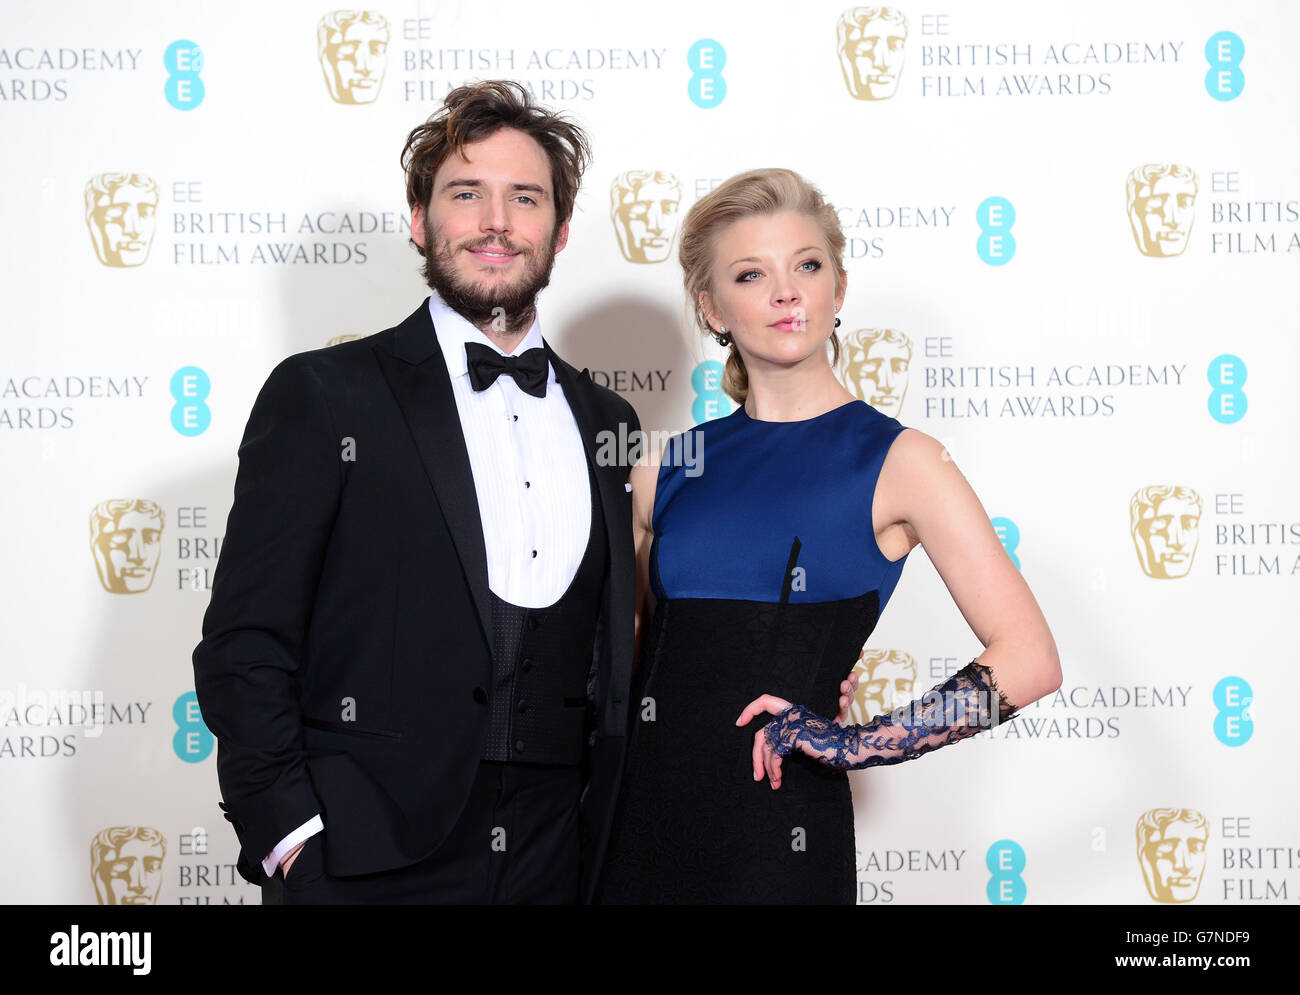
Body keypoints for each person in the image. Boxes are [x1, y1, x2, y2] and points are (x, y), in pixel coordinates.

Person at [192, 80, 640, 903]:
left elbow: (629, 636)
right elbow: (244, 643)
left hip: (558, 855)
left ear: (561, 229)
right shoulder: (325, 394)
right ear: (420, 220)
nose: (496, 222)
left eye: (525, 198)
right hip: (366, 857)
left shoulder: (609, 419)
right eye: (466, 194)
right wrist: (293, 839)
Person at [597, 168, 1062, 904]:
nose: (786, 292)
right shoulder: (666, 467)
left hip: (779, 840)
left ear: (837, 289)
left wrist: (852, 740)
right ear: (711, 307)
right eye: (752, 274)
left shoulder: (902, 460)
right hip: (633, 832)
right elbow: (630, 669)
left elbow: (1030, 658)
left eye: (807, 266)